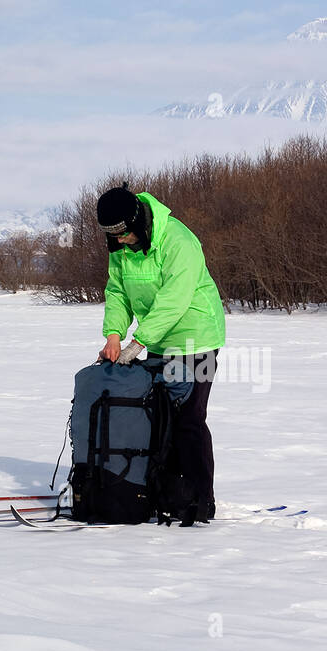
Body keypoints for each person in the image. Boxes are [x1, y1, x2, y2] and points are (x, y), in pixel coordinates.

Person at [96, 184, 225, 521]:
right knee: (156, 418)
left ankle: (198, 500)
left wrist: (137, 343)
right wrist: (113, 335)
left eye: (124, 234)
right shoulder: (120, 247)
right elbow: (117, 292)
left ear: (137, 220)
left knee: (188, 420)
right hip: (157, 341)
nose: (121, 242)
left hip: (195, 339)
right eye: (115, 237)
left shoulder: (179, 242)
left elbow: (174, 301)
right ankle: (162, 492)